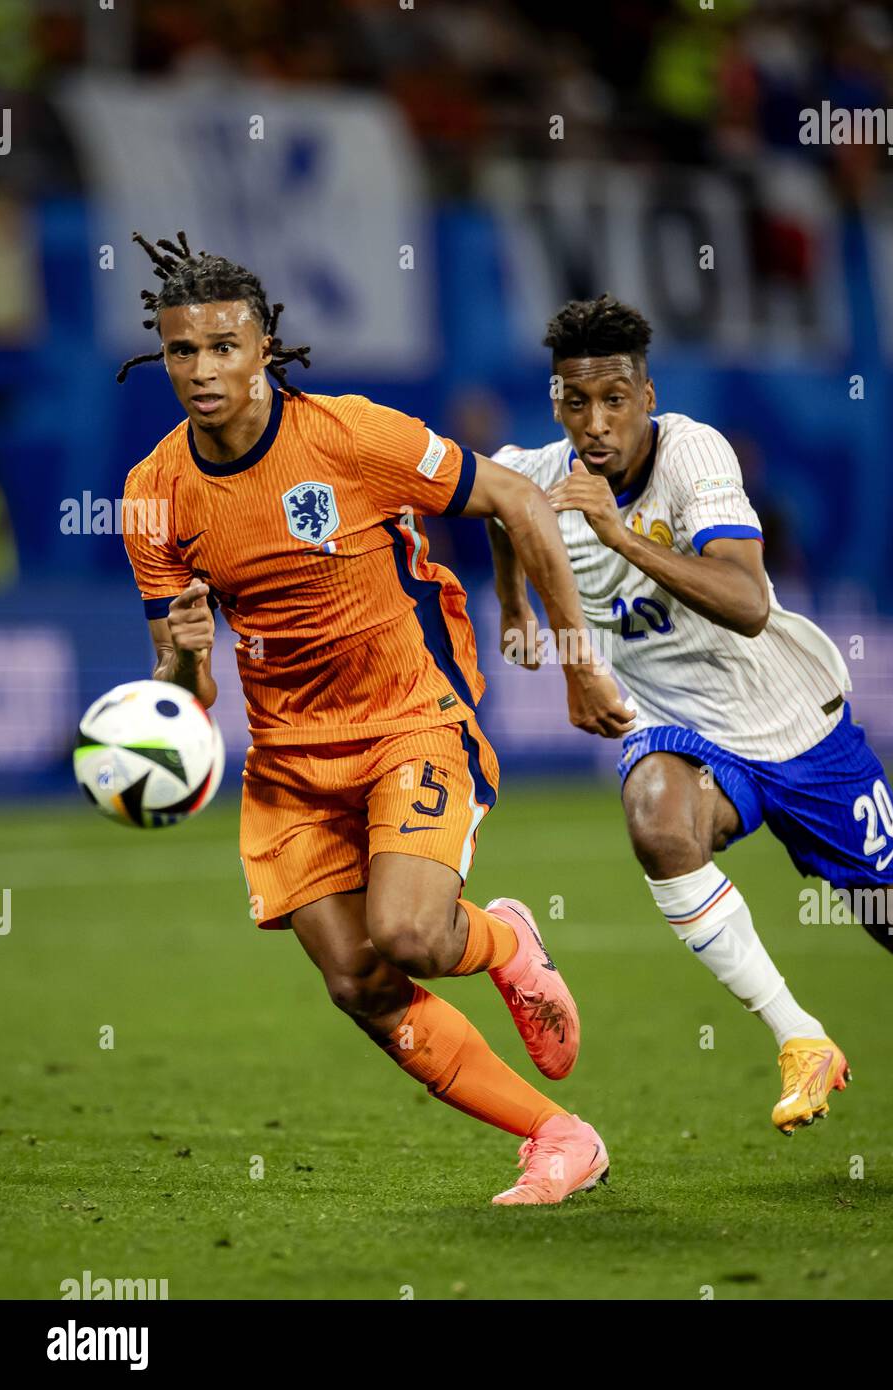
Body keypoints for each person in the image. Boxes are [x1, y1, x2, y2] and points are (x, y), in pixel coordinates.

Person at [488, 294, 893, 1168]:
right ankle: (799, 1035)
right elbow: (501, 503)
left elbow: (747, 602)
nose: (596, 422)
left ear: (646, 395)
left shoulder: (696, 456)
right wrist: (515, 612)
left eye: (614, 398)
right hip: (686, 729)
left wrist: (618, 534)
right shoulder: (538, 470)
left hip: (796, 725)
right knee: (655, 819)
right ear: (554, 401)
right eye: (576, 402)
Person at [117, 233, 634, 1206]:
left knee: (408, 934)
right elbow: (186, 698)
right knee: (356, 981)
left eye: (223, 346)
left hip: (408, 715)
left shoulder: (352, 437)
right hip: (286, 755)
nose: (201, 369)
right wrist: (183, 647)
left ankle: (506, 945)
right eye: (180, 351)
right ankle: (560, 1138)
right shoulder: (153, 495)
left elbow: (517, 499)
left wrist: (571, 660)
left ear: (264, 345)